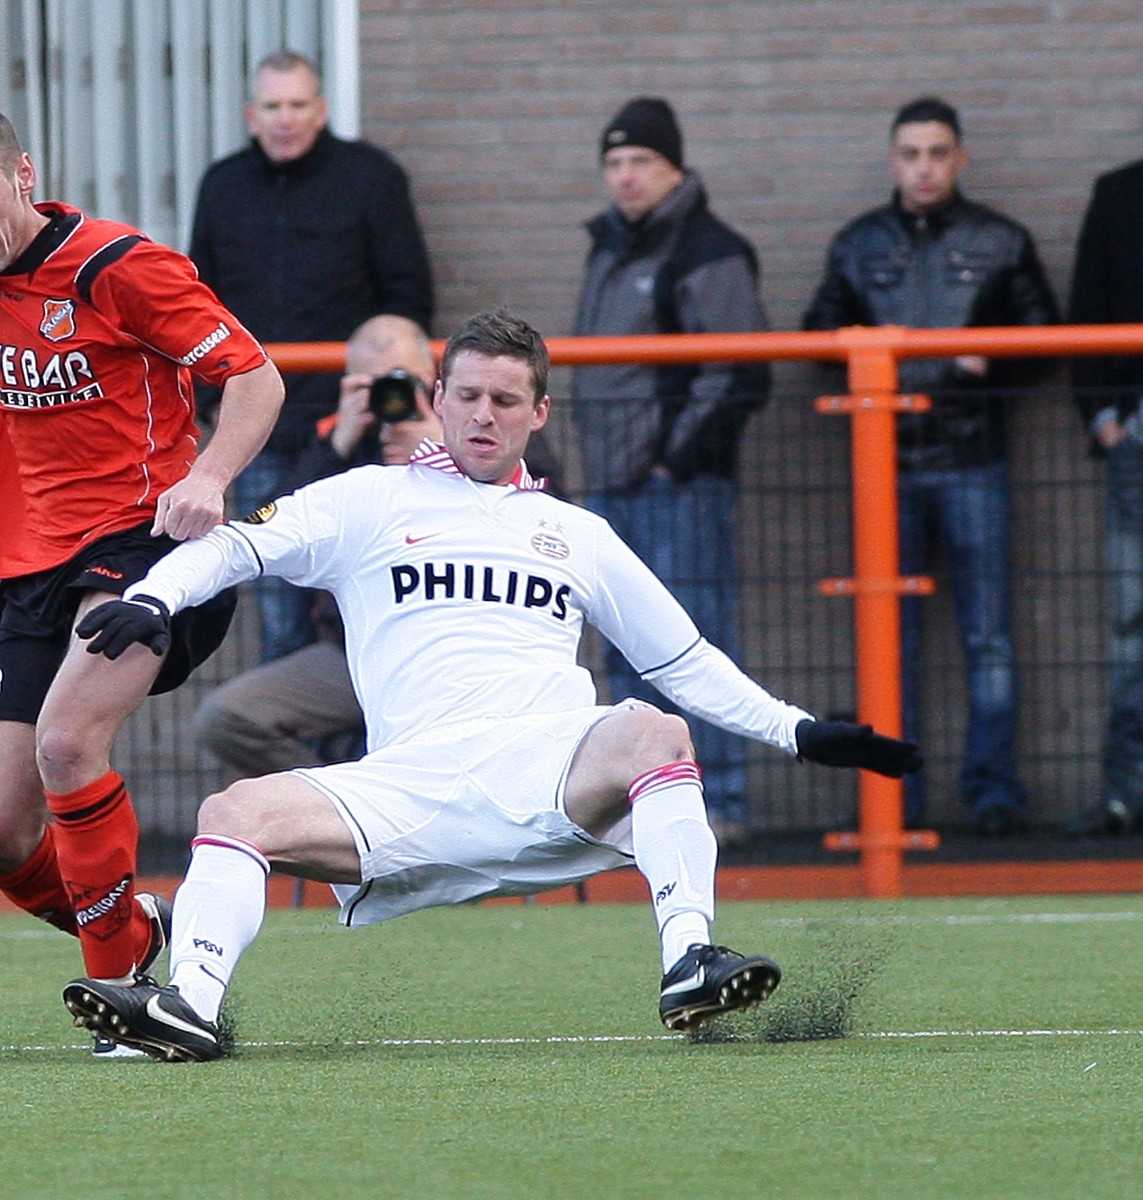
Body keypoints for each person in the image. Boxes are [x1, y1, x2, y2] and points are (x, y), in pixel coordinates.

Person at [61, 310, 919, 1061]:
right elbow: (236, 546)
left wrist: (797, 732)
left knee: (655, 729)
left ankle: (689, 962)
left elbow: (680, 657)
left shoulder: (572, 531)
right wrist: (152, 596)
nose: (482, 414)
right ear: (437, 397)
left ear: (538, 414)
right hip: (409, 787)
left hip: (548, 770)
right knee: (232, 813)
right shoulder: (369, 499)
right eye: (466, 395)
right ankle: (189, 1008)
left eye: (505, 400)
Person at [0, 103, 284, 1053]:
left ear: (24, 176)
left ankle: (123, 1000)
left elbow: (256, 379)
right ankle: (131, 933)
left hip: (148, 544)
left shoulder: (121, 268)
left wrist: (207, 480)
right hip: (40, 570)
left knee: (67, 742)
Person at [803, 96, 1059, 839]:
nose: (923, 167)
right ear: (892, 160)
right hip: (883, 463)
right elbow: (814, 334)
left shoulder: (999, 239)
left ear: (959, 158)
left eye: (937, 153)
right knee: (889, 636)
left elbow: (1048, 333)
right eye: (910, 154)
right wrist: (862, 341)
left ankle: (993, 793)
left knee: (988, 635)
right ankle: (893, 799)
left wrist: (990, 354)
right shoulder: (858, 244)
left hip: (973, 454)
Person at [188, 49, 434, 664]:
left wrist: (390, 398)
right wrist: (211, 402)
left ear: (321, 110)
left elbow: (410, 295)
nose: (285, 118)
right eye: (273, 105)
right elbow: (199, 308)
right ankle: (297, 754)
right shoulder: (223, 187)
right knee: (279, 594)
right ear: (251, 114)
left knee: (367, 584)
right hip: (260, 431)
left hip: (356, 428)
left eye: (298, 104)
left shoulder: (371, 179)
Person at [570, 97, 770, 847]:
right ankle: (637, 804)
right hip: (615, 484)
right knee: (626, 647)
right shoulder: (609, 247)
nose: (624, 177)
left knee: (694, 643)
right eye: (613, 163)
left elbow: (736, 370)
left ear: (674, 167)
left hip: (673, 485)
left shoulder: (708, 250)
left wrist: (669, 459)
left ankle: (720, 803)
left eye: (640, 162)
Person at [193, 314, 439, 782]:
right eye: (370, 383)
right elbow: (270, 526)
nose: (389, 399)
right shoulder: (341, 440)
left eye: (399, 381)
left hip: (444, 656)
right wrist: (341, 441)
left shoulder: (470, 430)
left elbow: (538, 499)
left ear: (431, 378)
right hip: (351, 654)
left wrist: (443, 451)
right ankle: (334, 813)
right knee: (226, 717)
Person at [1065, 154, 1143, 837]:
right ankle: (1126, 791)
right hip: (1135, 438)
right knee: (1130, 619)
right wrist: (1105, 419)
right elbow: (1085, 306)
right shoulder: (1117, 194)